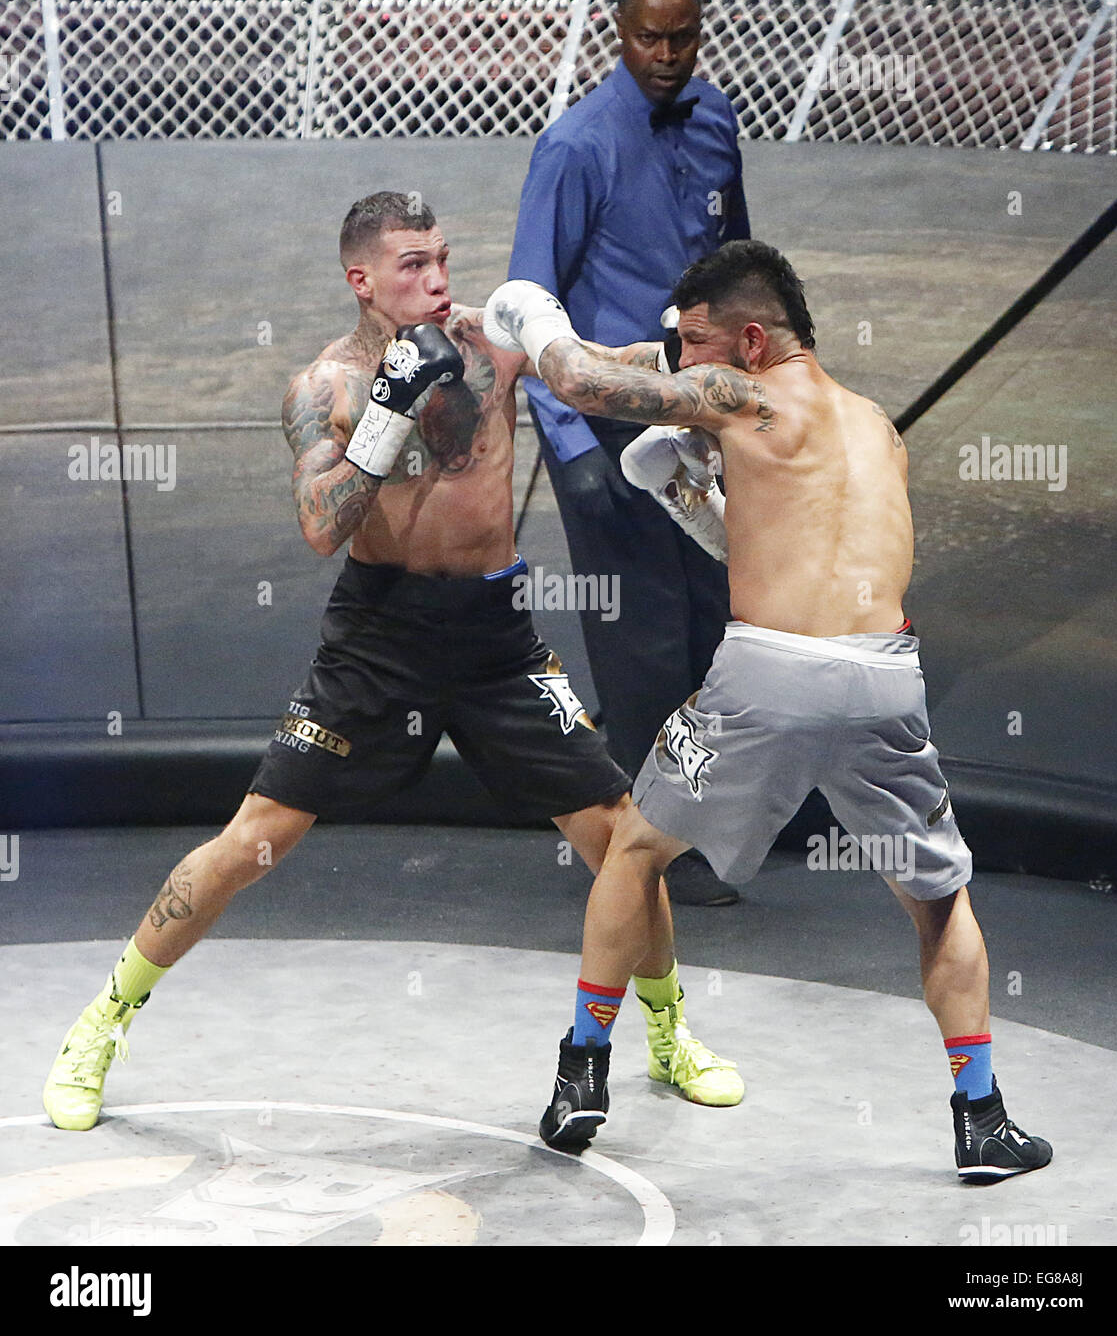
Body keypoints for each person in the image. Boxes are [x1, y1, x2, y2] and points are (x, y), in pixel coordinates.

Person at [41, 192, 744, 1133]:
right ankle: (103, 1021)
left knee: (621, 840)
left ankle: (666, 1030)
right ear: (360, 278)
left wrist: (699, 357)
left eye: (444, 257)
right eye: (413, 263)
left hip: (496, 636)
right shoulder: (321, 388)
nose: (438, 279)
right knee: (255, 839)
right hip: (379, 636)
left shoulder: (493, 348)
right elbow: (319, 527)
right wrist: (384, 416)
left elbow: (602, 372)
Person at [482, 250, 1053, 1180]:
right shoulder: (876, 427)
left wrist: (525, 312)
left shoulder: (741, 395)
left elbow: (584, 381)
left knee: (634, 848)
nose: (683, 356)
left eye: (696, 339)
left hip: (766, 677)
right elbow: (795, 544)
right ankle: (981, 1119)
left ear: (750, 338)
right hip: (884, 680)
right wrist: (691, 493)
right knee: (939, 901)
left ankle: (582, 1068)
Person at [507, 0, 749, 906]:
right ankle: (655, 852)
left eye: (680, 35)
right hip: (604, 438)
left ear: (699, 29)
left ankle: (705, 818)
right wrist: (574, 457)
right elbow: (529, 307)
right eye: (647, 36)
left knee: (717, 617)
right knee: (642, 634)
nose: (664, 54)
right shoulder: (575, 146)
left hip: (700, 419)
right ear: (617, 30)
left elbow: (739, 268)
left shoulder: (719, 120)